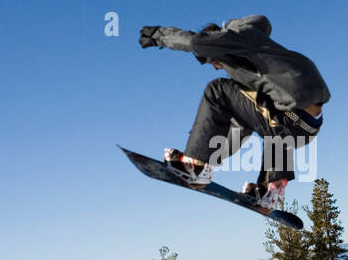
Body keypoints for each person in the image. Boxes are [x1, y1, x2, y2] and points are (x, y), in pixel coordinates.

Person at [138, 15, 330, 212]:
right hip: (306, 126)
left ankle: (195, 167)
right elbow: (241, 125)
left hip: (290, 116)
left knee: (217, 90)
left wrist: (156, 35)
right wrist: (213, 153)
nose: (215, 66)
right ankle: (269, 190)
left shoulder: (234, 38)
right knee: (260, 114)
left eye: (210, 60)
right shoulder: (256, 50)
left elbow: (195, 41)